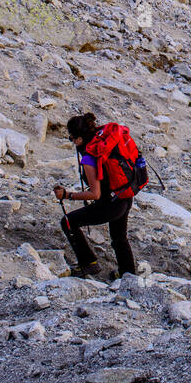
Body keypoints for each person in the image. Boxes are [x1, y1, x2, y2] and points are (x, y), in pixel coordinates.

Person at [54, 112, 137, 279]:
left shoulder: (90, 157)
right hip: (125, 196)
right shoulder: (103, 144)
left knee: (68, 222)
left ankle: (88, 263)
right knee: (119, 237)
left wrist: (67, 195)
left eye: (71, 139)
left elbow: (95, 194)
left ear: (78, 139)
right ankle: (128, 276)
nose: (72, 142)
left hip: (111, 204)